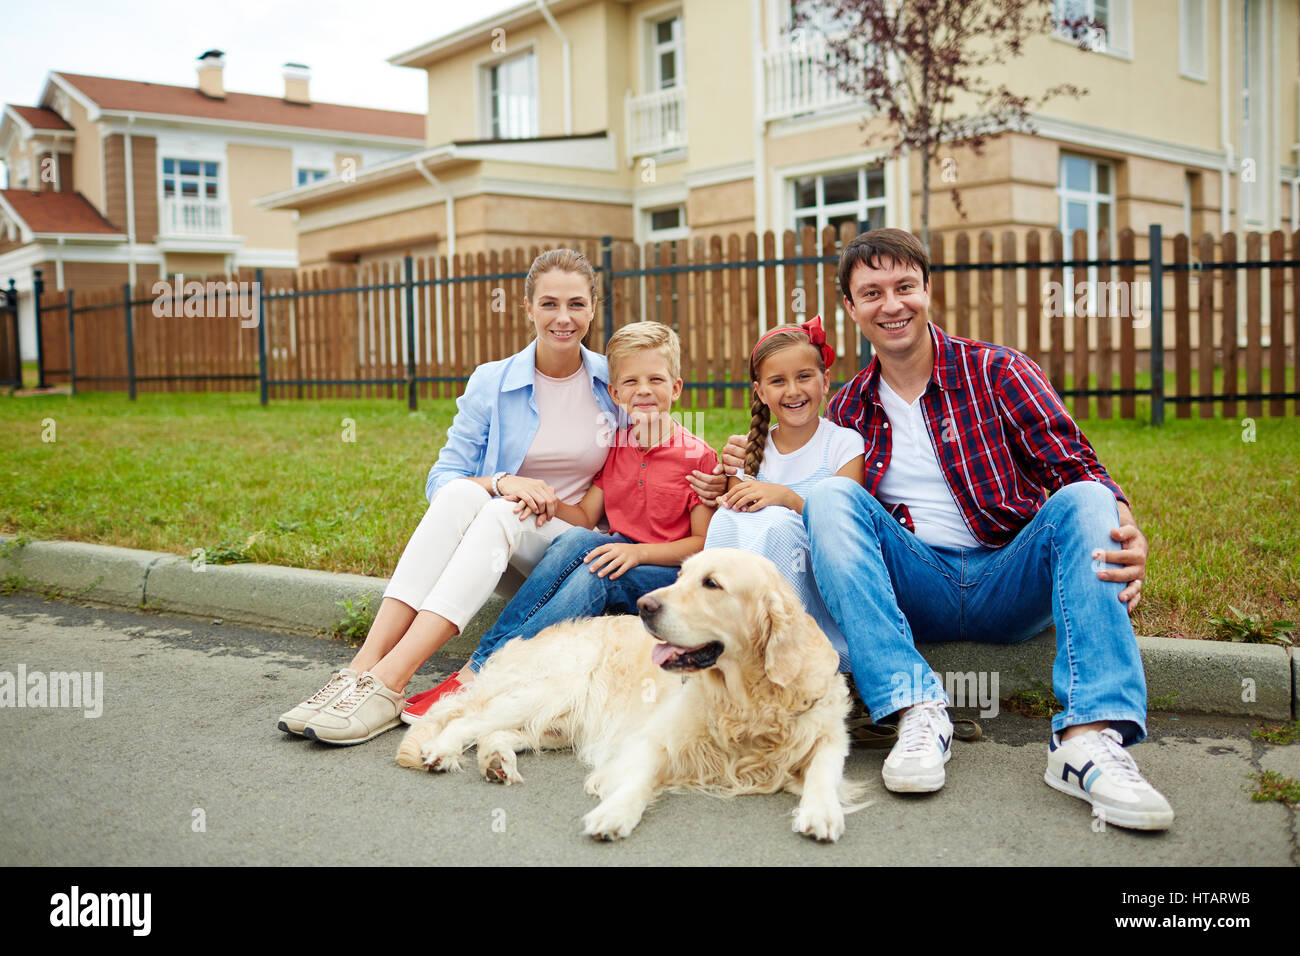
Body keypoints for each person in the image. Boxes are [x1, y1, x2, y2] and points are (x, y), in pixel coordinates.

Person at [716, 228, 1173, 831]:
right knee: (830, 495)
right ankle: (914, 708)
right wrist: (734, 468)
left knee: (1088, 496)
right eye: (871, 293)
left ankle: (1088, 739)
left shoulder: (1000, 371)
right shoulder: (849, 406)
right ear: (851, 310)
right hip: (916, 583)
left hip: (1007, 575)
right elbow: (799, 473)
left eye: (905, 286)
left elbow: (1079, 466)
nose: (892, 304)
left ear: (927, 290)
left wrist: (1125, 530)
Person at [277, 249, 621, 745]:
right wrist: (503, 480)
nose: (562, 318)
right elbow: (443, 478)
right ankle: (359, 671)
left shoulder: (614, 382)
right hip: (498, 545)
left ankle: (389, 682)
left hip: (571, 550)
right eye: (549, 304)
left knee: (499, 510)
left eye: (575, 304)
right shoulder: (493, 381)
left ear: (593, 308)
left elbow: (659, 450)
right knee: (464, 496)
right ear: (528, 309)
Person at [401, 320, 718, 720]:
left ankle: (481, 671)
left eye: (656, 379)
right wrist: (540, 498)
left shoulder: (698, 456)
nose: (644, 390)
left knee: (595, 570)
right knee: (575, 544)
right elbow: (585, 517)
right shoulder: (616, 448)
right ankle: (481, 671)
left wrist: (638, 555)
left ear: (675, 388)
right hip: (616, 555)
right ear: (616, 394)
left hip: (665, 575)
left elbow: (703, 547)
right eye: (632, 381)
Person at [703, 315, 864, 672]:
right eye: (778, 381)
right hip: (748, 595)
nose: (793, 391)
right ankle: (723, 634)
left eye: (804, 376)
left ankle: (791, 651)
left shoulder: (842, 445)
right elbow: (734, 527)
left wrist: (788, 499)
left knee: (778, 522)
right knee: (730, 518)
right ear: (760, 391)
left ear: (825, 382)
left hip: (813, 588)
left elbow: (849, 530)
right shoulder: (752, 453)